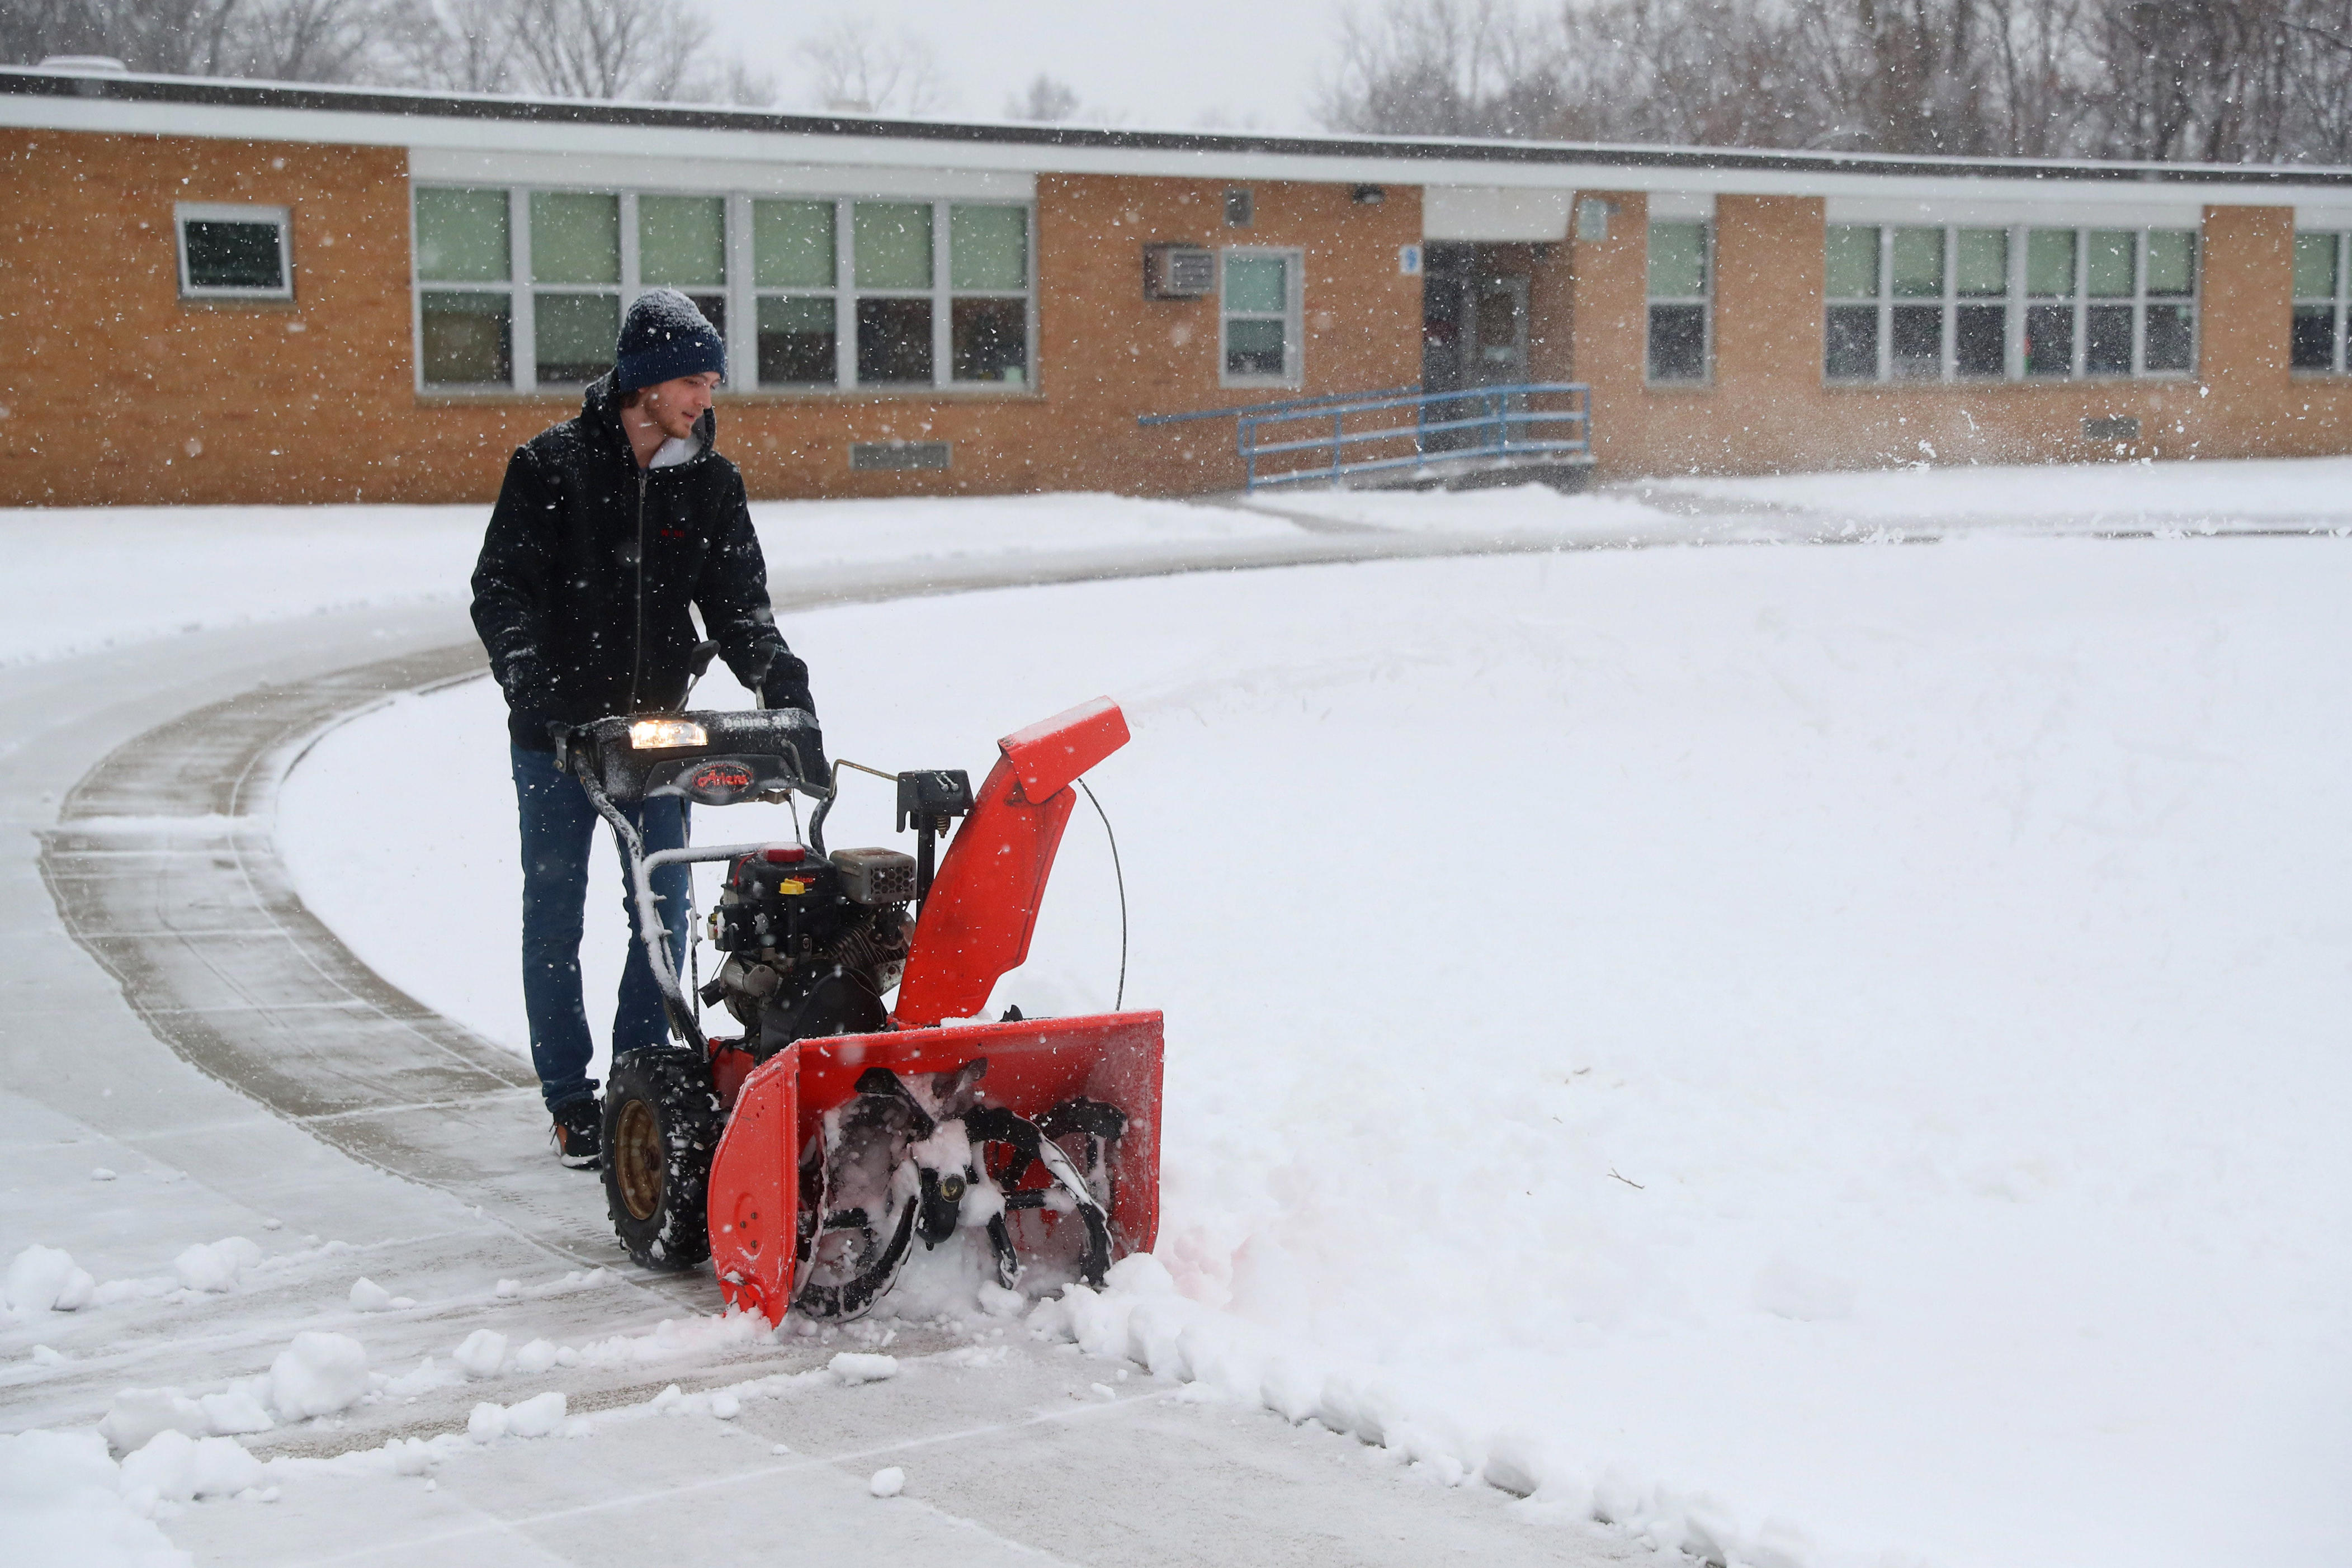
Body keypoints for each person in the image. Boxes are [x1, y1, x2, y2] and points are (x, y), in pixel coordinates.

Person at [470, 289, 824, 1167]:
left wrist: (781, 680)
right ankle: (567, 1098)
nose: (707, 398)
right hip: (557, 744)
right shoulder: (552, 466)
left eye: (710, 382)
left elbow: (740, 605)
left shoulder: (709, 480)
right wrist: (539, 692)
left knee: (662, 912)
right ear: (647, 382)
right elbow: (499, 592)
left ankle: (640, 1082)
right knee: (554, 917)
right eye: (695, 381)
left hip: (655, 739)